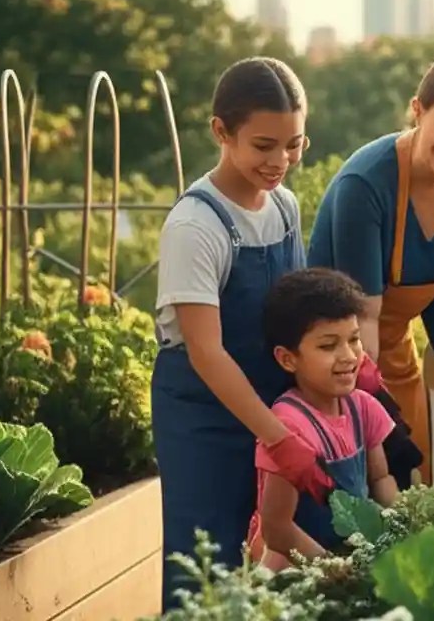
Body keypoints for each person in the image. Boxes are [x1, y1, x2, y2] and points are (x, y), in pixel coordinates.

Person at [151, 57, 328, 609]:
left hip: (271, 403)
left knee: (278, 561)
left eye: (294, 145)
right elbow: (206, 352)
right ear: (221, 133)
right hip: (204, 414)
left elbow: (297, 313)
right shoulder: (195, 226)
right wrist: (277, 437)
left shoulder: (283, 205)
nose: (280, 162)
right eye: (263, 146)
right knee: (205, 563)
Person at [308, 52, 434, 484]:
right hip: (331, 359)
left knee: (420, 486)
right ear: (418, 110)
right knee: (368, 490)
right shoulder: (367, 185)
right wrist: (379, 418)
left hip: (392, 352)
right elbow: (364, 318)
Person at [247, 268, 398, 572]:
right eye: (328, 346)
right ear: (287, 359)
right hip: (296, 569)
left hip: (351, 556)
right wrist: (333, 568)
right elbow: (277, 528)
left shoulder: (363, 407)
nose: (348, 356)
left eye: (354, 339)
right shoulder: (289, 425)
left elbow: (380, 480)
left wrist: (401, 526)